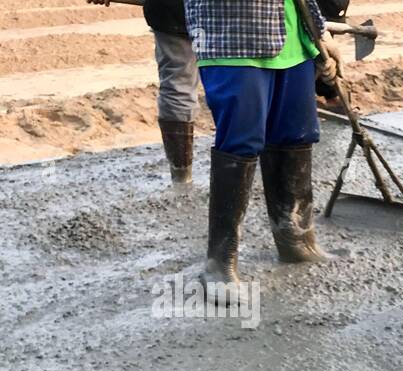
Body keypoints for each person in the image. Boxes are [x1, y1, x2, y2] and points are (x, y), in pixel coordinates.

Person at [183, 0, 341, 298]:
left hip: (294, 39)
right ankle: (220, 264)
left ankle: (296, 240)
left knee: (295, 135)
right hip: (234, 37)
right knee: (241, 142)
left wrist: (320, 30)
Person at [87, 0, 197, 184]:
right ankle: (245, 168)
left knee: (178, 87)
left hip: (173, 11)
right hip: (233, 15)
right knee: (238, 82)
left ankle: (182, 179)